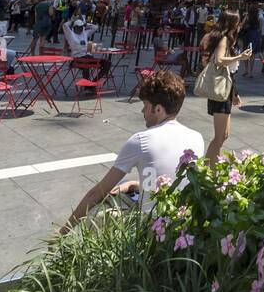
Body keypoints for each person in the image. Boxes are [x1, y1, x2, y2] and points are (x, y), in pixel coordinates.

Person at [61, 69, 204, 230]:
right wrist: (135, 184)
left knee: (99, 207)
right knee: (125, 184)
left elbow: (96, 193)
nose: (142, 111)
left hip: (150, 226)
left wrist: (62, 232)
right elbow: (173, 180)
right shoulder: (197, 137)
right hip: (182, 225)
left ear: (158, 109)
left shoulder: (141, 141)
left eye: (145, 105)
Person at [201, 11, 252, 167]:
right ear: (230, 23)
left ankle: (212, 166)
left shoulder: (225, 39)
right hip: (220, 91)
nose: (239, 25)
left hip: (226, 90)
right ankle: (208, 169)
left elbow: (228, 72)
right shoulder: (223, 39)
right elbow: (220, 60)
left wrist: (235, 93)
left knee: (224, 135)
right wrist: (240, 57)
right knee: (220, 136)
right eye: (237, 22)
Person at [238, 5, 261, 79]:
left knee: (246, 53)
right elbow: (259, 28)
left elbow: (241, 25)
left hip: (247, 36)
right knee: (253, 54)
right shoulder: (258, 18)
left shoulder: (247, 17)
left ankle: (246, 70)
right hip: (255, 36)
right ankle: (251, 72)